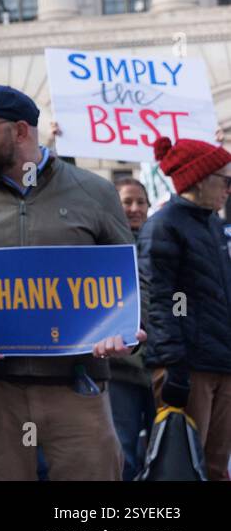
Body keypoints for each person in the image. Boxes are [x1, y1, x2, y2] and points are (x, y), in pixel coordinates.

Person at [0, 84, 143, 481]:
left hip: (77, 389)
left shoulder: (95, 191)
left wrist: (127, 331)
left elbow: (131, 281)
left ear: (20, 131)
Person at [142, 136, 231, 481]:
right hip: (188, 367)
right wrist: (173, 363)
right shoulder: (165, 225)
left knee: (214, 468)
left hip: (220, 361)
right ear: (198, 178)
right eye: (225, 179)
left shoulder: (212, 223)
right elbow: (161, 300)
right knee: (181, 467)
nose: (228, 188)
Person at [106, 176, 154, 481]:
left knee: (163, 447)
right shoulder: (101, 244)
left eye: (141, 202)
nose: (135, 208)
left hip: (159, 366)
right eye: (127, 202)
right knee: (122, 451)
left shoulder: (164, 241)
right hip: (120, 367)